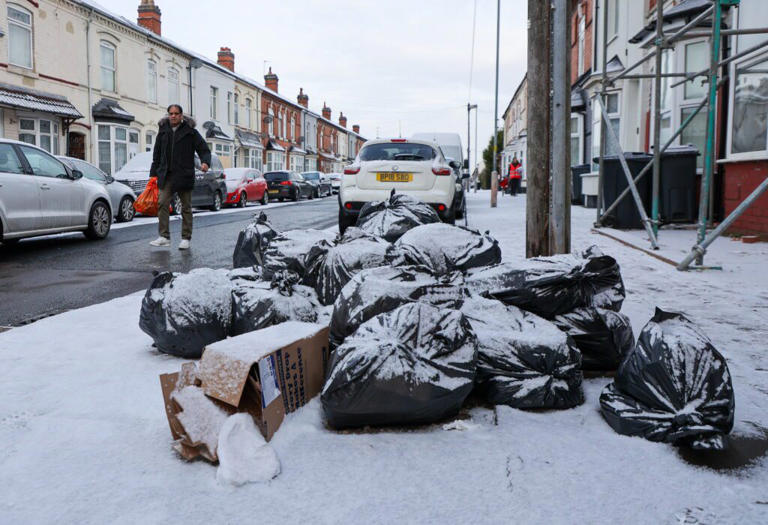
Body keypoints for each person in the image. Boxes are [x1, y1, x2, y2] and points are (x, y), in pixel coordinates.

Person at [149, 104, 211, 249]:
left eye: (176, 113)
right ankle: (164, 236)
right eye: (171, 113)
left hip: (184, 174)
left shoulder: (190, 132)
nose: (173, 116)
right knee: (162, 203)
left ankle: (186, 238)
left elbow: (203, 149)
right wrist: (153, 174)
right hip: (167, 175)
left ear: (181, 116)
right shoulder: (163, 131)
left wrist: (205, 162)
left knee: (186, 207)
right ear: (168, 115)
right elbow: (156, 154)